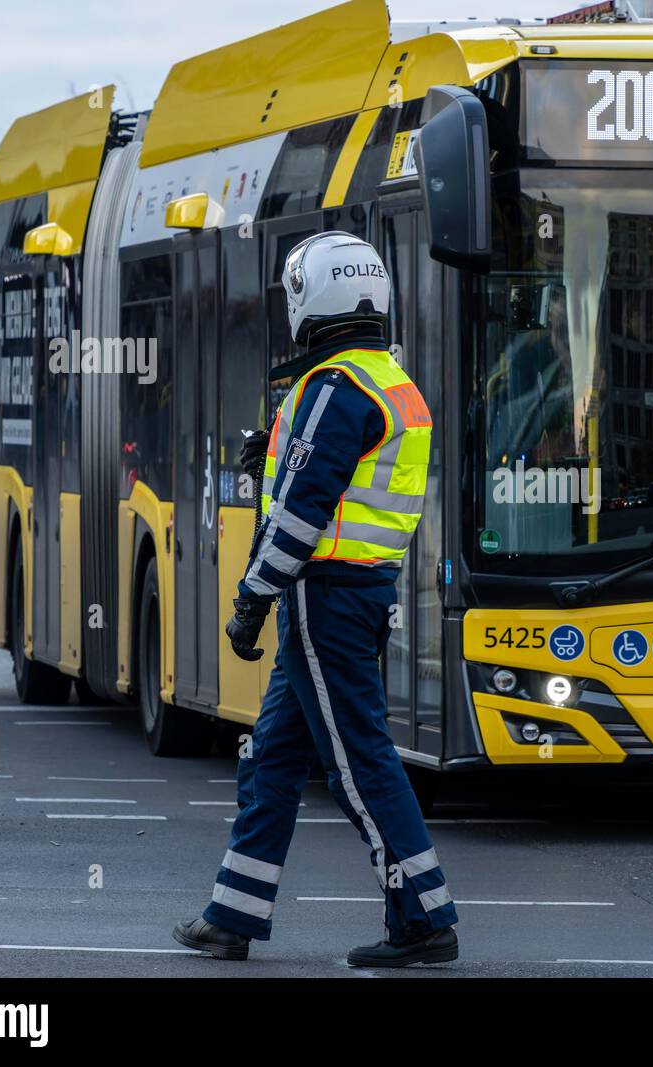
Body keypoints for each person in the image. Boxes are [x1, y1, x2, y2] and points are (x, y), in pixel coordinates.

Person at [172, 231, 458, 966]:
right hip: (354, 591)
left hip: (323, 595)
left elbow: (300, 511)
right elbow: (342, 469)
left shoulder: (334, 387)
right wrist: (274, 439)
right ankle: (232, 914)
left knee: (358, 762)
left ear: (311, 298)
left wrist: (250, 599)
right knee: (271, 757)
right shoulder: (385, 380)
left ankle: (424, 916)